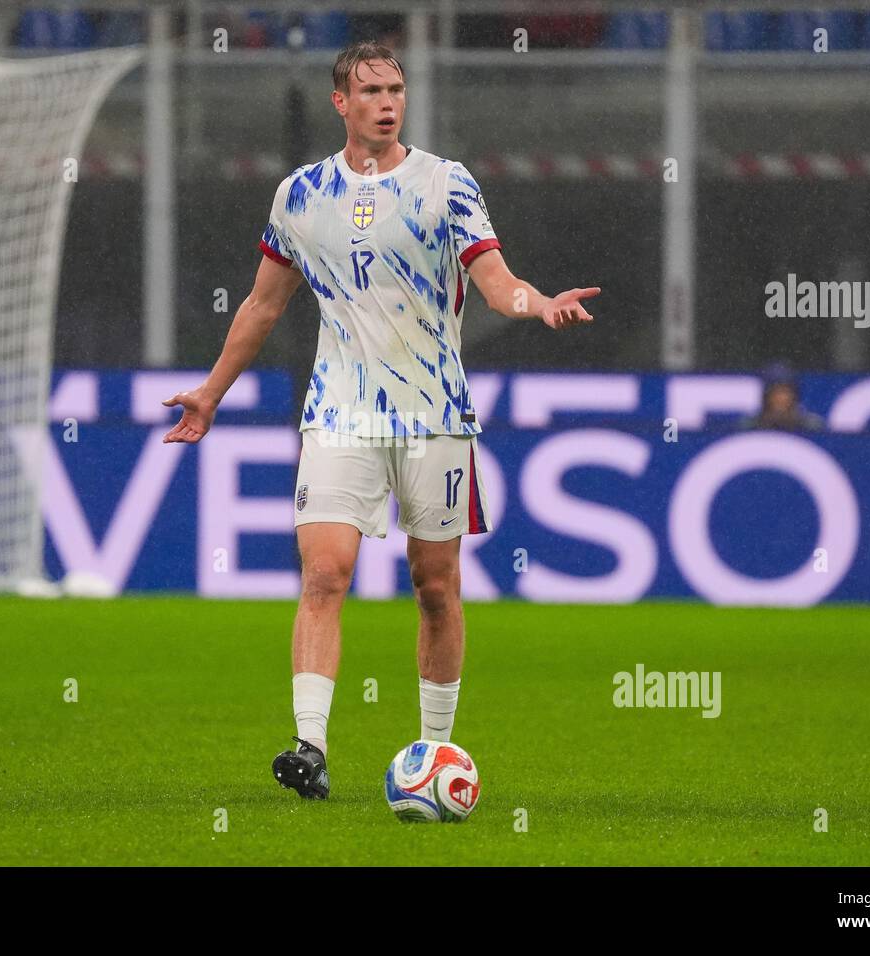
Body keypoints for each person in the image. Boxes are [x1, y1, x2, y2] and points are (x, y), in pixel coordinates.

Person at [160, 41, 599, 800]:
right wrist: (211, 392)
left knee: (436, 586)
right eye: (370, 91)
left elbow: (496, 285)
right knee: (325, 574)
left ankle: (435, 753)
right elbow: (264, 304)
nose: (387, 101)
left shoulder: (444, 183)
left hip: (435, 415)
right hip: (339, 412)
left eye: (396, 88)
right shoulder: (300, 195)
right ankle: (309, 746)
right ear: (342, 102)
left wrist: (540, 303)